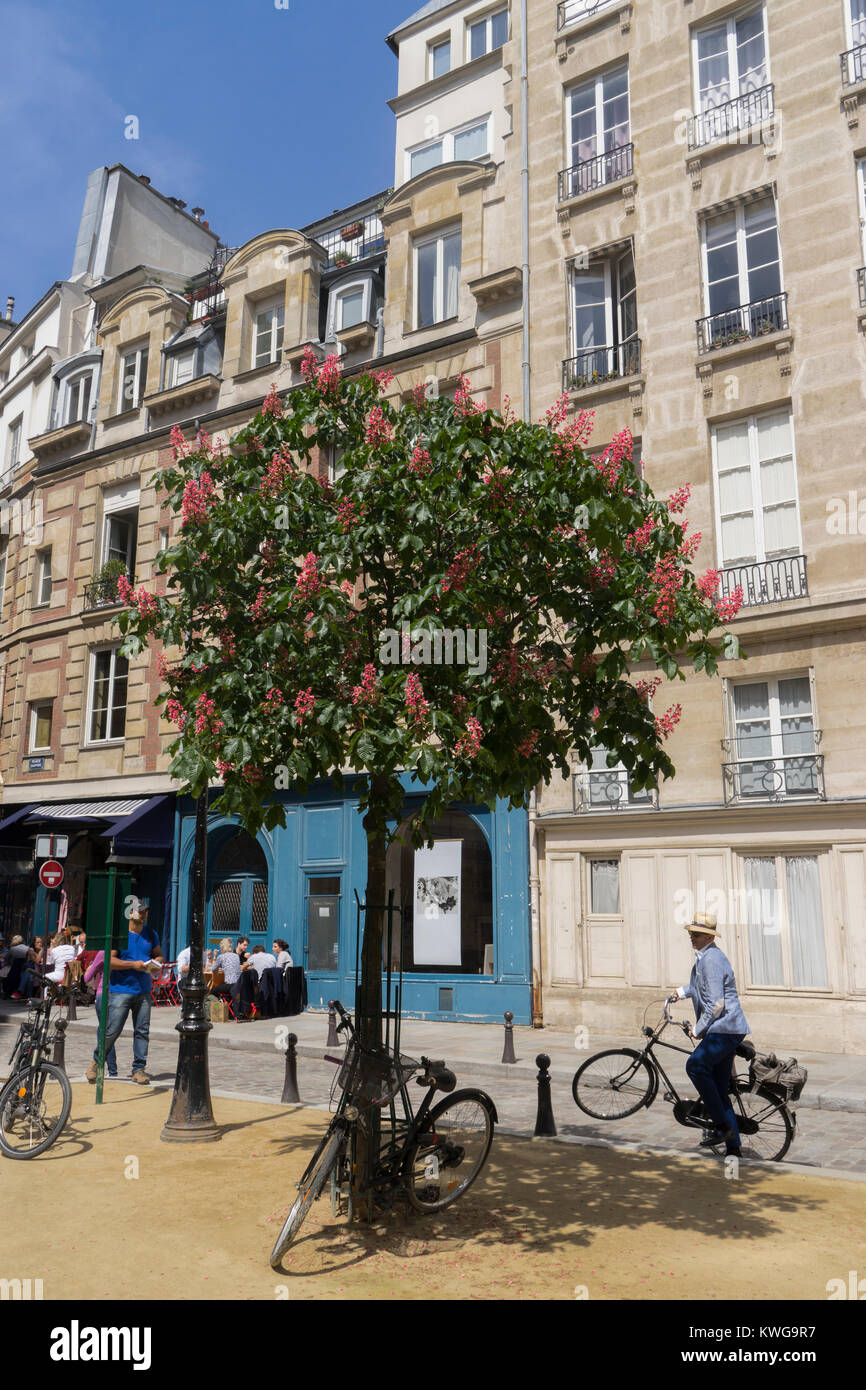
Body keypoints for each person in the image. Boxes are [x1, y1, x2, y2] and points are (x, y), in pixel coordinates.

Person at [668, 913, 750, 1158]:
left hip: (724, 1029)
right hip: (725, 1029)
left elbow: (716, 1004)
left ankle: (721, 1126)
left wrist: (698, 1029)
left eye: (695, 934)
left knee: (695, 1066)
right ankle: (733, 1149)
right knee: (718, 1086)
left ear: (708, 936)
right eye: (690, 933)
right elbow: (702, 987)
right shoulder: (706, 957)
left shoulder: (711, 959)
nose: (691, 937)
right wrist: (680, 992)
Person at [86, 899, 163, 1086]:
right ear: (130, 913)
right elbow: (109, 961)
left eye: (145, 911)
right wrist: (133, 965)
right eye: (140, 911)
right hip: (120, 991)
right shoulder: (119, 936)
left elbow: (158, 954)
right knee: (112, 1030)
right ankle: (96, 1062)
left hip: (144, 990)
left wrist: (156, 963)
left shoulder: (151, 934)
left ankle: (139, 1069)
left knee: (142, 1031)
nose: (143, 914)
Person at [83, 950, 118, 1079]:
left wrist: (89, 969)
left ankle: (109, 1069)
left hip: (103, 994)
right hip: (119, 996)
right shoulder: (124, 953)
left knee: (104, 1032)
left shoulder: (103, 953)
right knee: (108, 1031)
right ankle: (111, 1069)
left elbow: (87, 978)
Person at [212, 937, 242, 1017]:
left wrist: (214, 957)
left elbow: (213, 969)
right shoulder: (236, 956)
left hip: (230, 986)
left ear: (222, 947)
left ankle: (219, 1010)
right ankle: (228, 1009)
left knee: (213, 990)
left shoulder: (221, 957)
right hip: (238, 985)